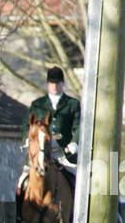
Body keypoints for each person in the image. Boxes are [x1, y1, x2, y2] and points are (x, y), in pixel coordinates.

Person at [16, 65, 81, 204]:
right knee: (22, 182)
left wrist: (74, 142)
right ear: (47, 84)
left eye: (57, 83)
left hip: (63, 153)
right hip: (40, 153)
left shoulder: (72, 104)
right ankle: (17, 219)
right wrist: (27, 138)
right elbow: (26, 125)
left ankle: (77, 216)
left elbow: (78, 126)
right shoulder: (38, 104)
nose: (54, 86)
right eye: (52, 83)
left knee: (80, 183)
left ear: (62, 83)